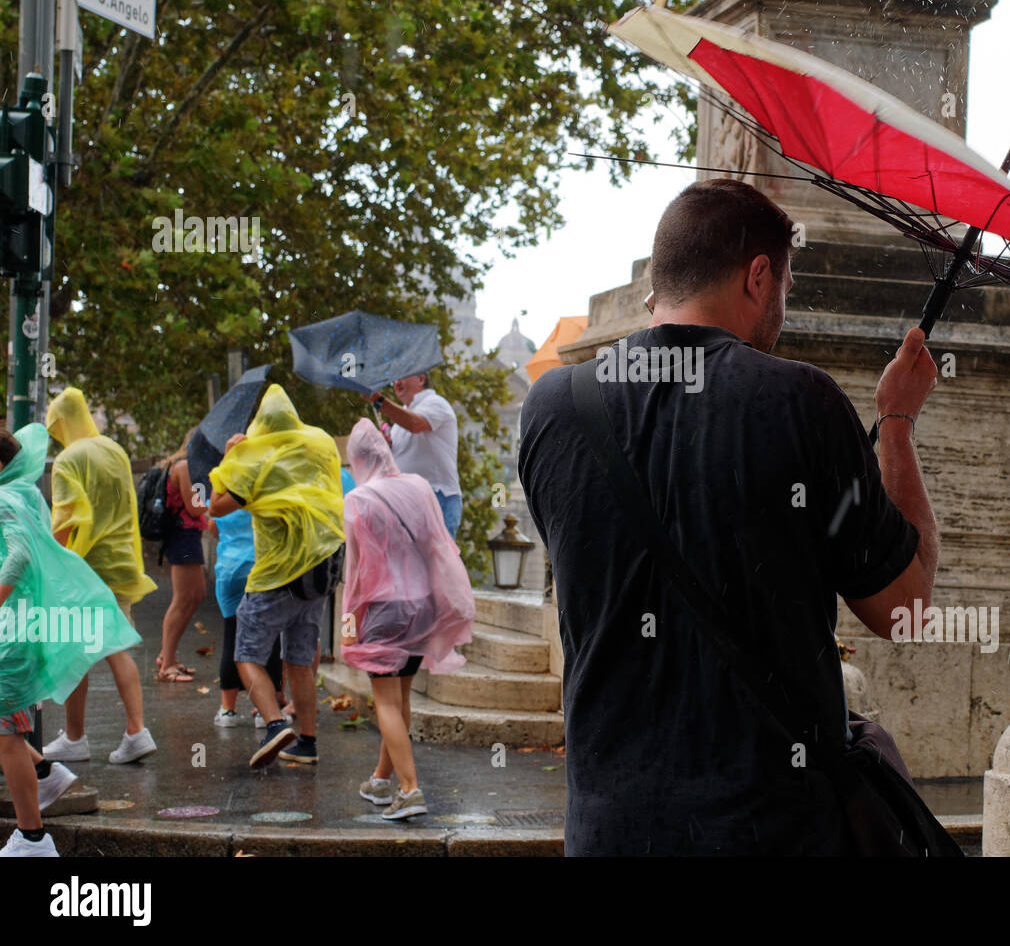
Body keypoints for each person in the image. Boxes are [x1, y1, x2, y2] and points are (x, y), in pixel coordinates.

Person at [518, 179, 940, 856]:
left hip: (608, 832)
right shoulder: (802, 401)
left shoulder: (553, 408)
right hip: (773, 831)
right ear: (759, 275)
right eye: (787, 286)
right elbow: (906, 608)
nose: (784, 306)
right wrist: (895, 421)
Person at [0, 424, 140, 856]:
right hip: (18, 629)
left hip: (11, 636)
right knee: (4, 730)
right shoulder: (23, 494)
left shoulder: (5, 500)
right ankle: (45, 775)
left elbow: (20, 555)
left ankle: (33, 838)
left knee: (5, 738)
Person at [341, 419, 474, 820]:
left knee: (384, 700)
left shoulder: (359, 499)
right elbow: (439, 541)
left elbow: (355, 569)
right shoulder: (418, 486)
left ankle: (410, 789)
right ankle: (382, 780)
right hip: (424, 605)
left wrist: (349, 623)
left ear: (357, 461)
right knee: (400, 697)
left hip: (384, 609)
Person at [207, 385, 344, 768]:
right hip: (319, 574)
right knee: (300, 659)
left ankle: (274, 724)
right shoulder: (319, 444)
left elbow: (217, 506)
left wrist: (233, 457)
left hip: (275, 575)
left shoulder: (255, 455)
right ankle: (308, 742)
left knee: (246, 655)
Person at [42, 388, 158, 765]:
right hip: (121, 563)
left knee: (73, 652)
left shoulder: (68, 460)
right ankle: (135, 730)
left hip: (82, 567)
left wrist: (46, 563)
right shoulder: (114, 450)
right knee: (114, 646)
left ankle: (76, 738)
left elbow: (65, 520)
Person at [209, 505, 285, 727]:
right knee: (270, 639)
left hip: (229, 570)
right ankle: (265, 710)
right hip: (261, 568)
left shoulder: (222, 489)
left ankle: (227, 710)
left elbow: (213, 526)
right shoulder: (264, 484)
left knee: (231, 635)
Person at [369, 373, 461, 538]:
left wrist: (378, 400)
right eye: (395, 379)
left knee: (436, 563)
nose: (396, 382)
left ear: (421, 378)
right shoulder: (402, 417)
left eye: (402, 376)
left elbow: (415, 424)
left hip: (436, 497)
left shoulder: (436, 403)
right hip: (405, 502)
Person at [156, 428, 210, 682]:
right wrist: (216, 501)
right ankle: (166, 663)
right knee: (182, 599)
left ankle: (169, 656)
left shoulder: (192, 468)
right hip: (182, 537)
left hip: (189, 536)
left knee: (196, 594)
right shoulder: (184, 467)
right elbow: (195, 507)